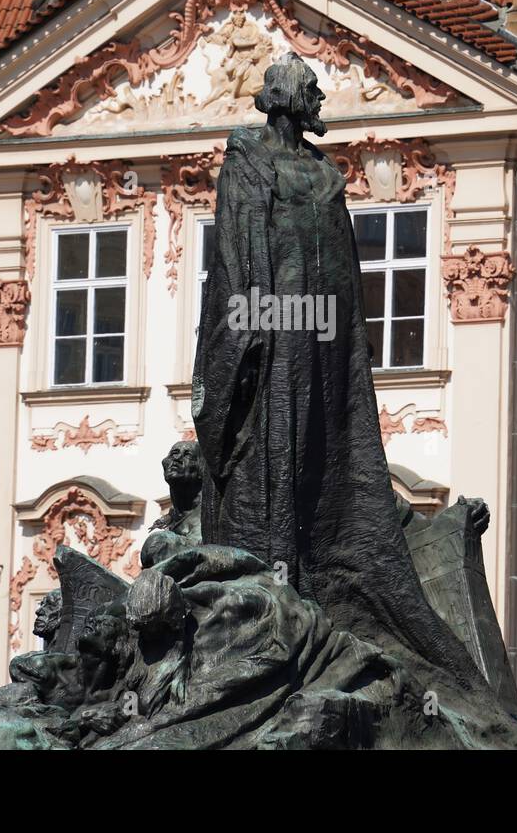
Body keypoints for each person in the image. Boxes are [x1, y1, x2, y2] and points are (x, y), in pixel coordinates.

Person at [191, 53, 485, 690]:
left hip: (321, 341)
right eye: (313, 92)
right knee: (272, 459)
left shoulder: (324, 173)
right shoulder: (247, 159)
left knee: (321, 460)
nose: (322, 99)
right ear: (290, 100)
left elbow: (343, 278)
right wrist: (242, 341)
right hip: (270, 333)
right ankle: (277, 589)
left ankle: (312, 589)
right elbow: (238, 256)